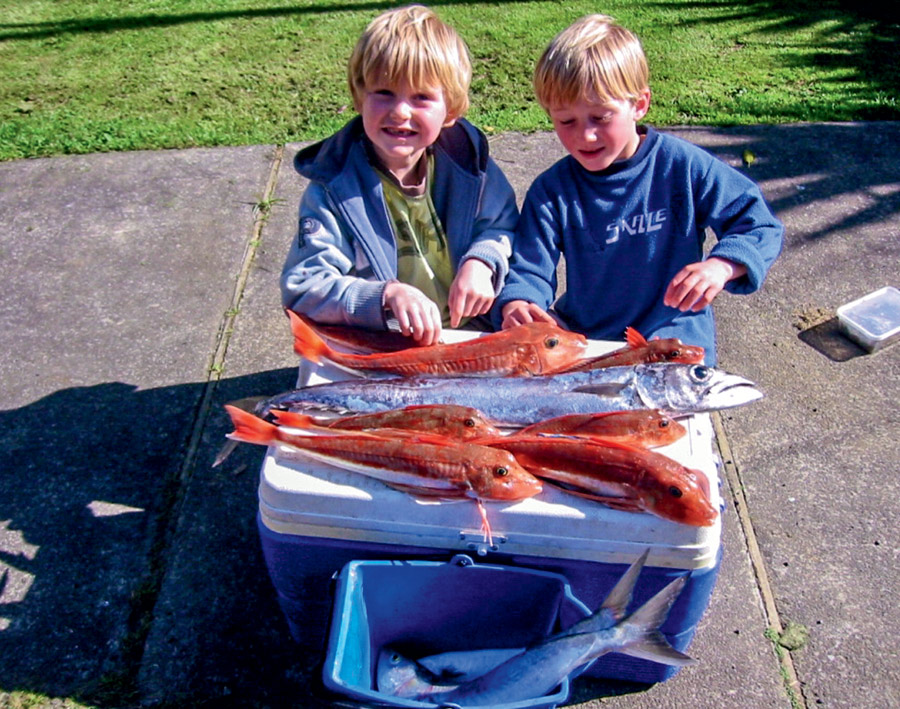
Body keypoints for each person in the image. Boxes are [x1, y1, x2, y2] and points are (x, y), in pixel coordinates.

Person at [493, 15, 783, 365]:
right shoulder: (551, 191)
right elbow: (528, 267)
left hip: (672, 329)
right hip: (586, 334)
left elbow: (758, 223)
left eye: (601, 117)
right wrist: (519, 304)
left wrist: (721, 266)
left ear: (639, 104)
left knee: (673, 397)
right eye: (566, 121)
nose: (585, 135)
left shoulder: (683, 166)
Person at [281, 5, 518, 347]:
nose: (400, 112)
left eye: (421, 97)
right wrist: (383, 297)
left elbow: (502, 224)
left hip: (472, 335)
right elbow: (303, 287)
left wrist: (483, 260)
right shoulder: (334, 189)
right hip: (385, 344)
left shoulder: (469, 167)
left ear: (450, 109)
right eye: (384, 93)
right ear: (359, 96)